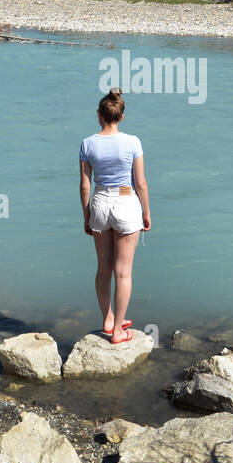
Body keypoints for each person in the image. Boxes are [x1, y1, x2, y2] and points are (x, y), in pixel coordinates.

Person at [79, 87, 150, 344]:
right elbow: (140, 183)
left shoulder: (87, 143)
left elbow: (85, 185)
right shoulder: (133, 142)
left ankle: (108, 319)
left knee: (103, 269)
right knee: (123, 272)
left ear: (99, 115)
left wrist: (86, 215)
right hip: (125, 201)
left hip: (100, 201)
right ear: (121, 116)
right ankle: (118, 330)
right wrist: (146, 213)